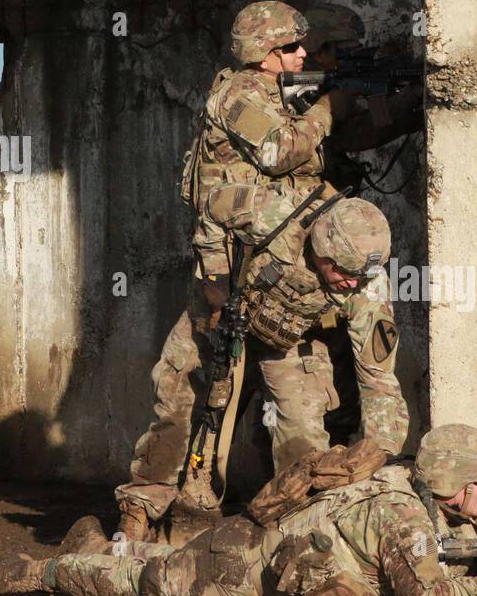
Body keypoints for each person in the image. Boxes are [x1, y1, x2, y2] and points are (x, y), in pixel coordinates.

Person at [114, 1, 352, 543]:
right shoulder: (242, 93)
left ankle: (299, 520)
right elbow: (277, 151)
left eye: (305, 48)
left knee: (297, 398)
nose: (302, 55)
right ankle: (151, 510)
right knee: (190, 392)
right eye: (291, 48)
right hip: (230, 274)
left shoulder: (277, 92)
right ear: (265, 53)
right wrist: (330, 108)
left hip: (281, 276)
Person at [0, 425, 477, 596]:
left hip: (256, 540)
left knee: (161, 565)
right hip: (244, 567)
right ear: (458, 486)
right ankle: (42, 571)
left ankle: (102, 547)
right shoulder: (406, 519)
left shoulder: (404, 483)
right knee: (147, 589)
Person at [113, 185, 408, 541]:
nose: (352, 282)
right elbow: (214, 207)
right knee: (179, 405)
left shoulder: (366, 286)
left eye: (360, 276)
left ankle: (296, 528)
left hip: (287, 338)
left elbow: (378, 378)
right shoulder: (278, 213)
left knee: (303, 424)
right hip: (220, 314)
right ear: (322, 248)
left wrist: (380, 450)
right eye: (344, 271)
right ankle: (140, 511)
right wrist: (216, 282)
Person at [299, 3, 424, 192]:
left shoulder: (332, 81)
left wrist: (411, 109)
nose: (356, 55)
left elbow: (364, 130)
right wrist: (327, 106)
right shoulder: (299, 92)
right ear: (319, 52)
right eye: (346, 52)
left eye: (357, 47)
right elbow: (350, 138)